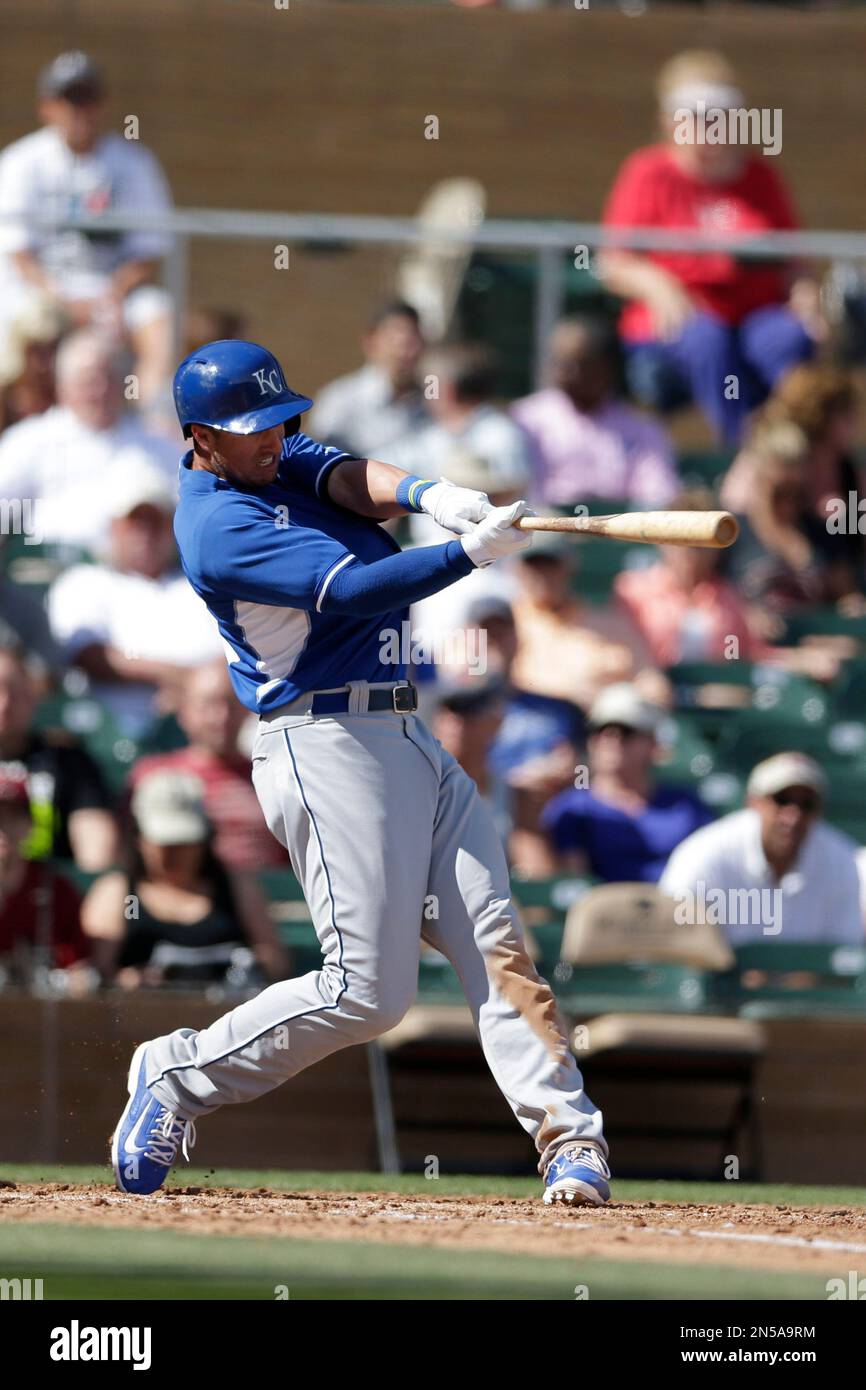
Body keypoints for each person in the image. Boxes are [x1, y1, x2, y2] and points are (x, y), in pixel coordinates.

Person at [110, 338, 610, 1208]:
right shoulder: (213, 527)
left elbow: (344, 475)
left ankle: (570, 1141)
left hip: (406, 729)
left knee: (494, 942)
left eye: (278, 421)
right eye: (250, 429)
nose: (273, 439)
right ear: (200, 437)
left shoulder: (272, 455)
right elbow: (354, 590)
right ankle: (176, 1075)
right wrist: (468, 555)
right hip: (322, 743)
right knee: (368, 995)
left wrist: (434, 496)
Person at [598, 50, 820, 444]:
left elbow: (794, 262)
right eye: (697, 116)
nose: (710, 128)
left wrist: (805, 297)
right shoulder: (647, 173)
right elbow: (613, 262)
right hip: (680, 323)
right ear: (671, 120)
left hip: (755, 315)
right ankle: (743, 453)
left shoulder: (762, 177)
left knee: (789, 338)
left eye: (720, 115)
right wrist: (659, 284)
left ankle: (797, 450)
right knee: (708, 340)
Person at [0, 51, 173, 404]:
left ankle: (149, 417)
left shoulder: (134, 163)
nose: (79, 110)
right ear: (46, 107)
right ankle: (22, 422)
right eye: (69, 99)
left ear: (102, 104)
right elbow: (17, 251)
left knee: (158, 314)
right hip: (40, 288)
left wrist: (111, 293)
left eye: (87, 98)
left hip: (112, 289)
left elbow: (149, 250)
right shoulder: (21, 161)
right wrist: (61, 298)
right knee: (26, 323)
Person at [47, 458, 223, 738]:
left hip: (206, 729)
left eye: (155, 522)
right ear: (113, 527)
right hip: (111, 735)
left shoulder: (203, 586)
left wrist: (199, 692)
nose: (145, 534)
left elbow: (235, 652)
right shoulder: (83, 582)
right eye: (135, 522)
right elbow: (90, 654)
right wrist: (182, 679)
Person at [82, 770, 287, 989]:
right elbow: (97, 974)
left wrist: (248, 966)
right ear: (139, 837)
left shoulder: (237, 890)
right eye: (164, 843)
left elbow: (277, 964)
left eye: (184, 842)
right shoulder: (124, 898)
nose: (174, 854)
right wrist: (127, 979)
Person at [0, 329, 177, 552]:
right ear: (63, 385)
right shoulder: (29, 441)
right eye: (89, 380)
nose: (100, 389)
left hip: (143, 576)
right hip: (52, 572)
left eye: (109, 377)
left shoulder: (155, 442)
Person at [660, 752, 862, 945]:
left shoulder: (842, 862)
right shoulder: (705, 855)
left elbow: (843, 954)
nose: (793, 816)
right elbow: (675, 945)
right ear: (754, 802)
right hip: (716, 979)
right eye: (781, 800)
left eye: (806, 804)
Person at [540, 683, 713, 882]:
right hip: (607, 909)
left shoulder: (686, 806)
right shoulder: (573, 807)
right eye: (600, 730)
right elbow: (575, 883)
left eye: (626, 731)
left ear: (653, 744)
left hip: (676, 906)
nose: (611, 739)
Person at [129, 660, 289, 873]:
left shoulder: (272, 773)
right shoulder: (153, 775)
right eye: (208, 706)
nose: (221, 717)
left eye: (232, 704)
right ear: (184, 711)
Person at [510, 317, 677, 508]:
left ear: (606, 367)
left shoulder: (642, 427)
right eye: (559, 363)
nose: (565, 374)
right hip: (545, 529)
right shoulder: (526, 419)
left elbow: (657, 494)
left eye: (577, 364)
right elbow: (518, 493)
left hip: (618, 530)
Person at [389, 343, 532, 541]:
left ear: (447, 388)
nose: (425, 395)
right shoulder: (426, 437)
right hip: (427, 554)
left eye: (430, 386)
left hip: (489, 555)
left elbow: (511, 493)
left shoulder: (501, 434)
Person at [507, 530, 664, 709]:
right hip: (529, 722)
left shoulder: (610, 624)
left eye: (550, 564)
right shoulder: (498, 622)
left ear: (569, 566)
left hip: (601, 728)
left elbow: (654, 686)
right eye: (534, 564)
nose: (543, 575)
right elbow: (475, 679)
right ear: (517, 569)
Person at [0, 643, 117, 871]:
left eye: (14, 691)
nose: (4, 704)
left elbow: (97, 856)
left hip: (46, 894)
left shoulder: (69, 763)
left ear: (33, 697)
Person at [614, 489, 756, 666]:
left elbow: (749, 654)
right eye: (681, 540)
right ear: (661, 542)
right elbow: (622, 653)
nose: (691, 551)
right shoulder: (632, 590)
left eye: (701, 543)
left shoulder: (729, 596)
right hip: (654, 688)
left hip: (717, 690)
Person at [0, 766, 89, 986]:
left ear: (29, 824)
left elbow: (81, 971)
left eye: (12, 817)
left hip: (40, 1014)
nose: (2, 829)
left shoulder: (56, 890)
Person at [308, 300, 428, 459]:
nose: (405, 354)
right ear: (371, 342)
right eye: (396, 343)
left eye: (412, 343)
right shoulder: (340, 400)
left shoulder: (431, 400)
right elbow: (317, 461)